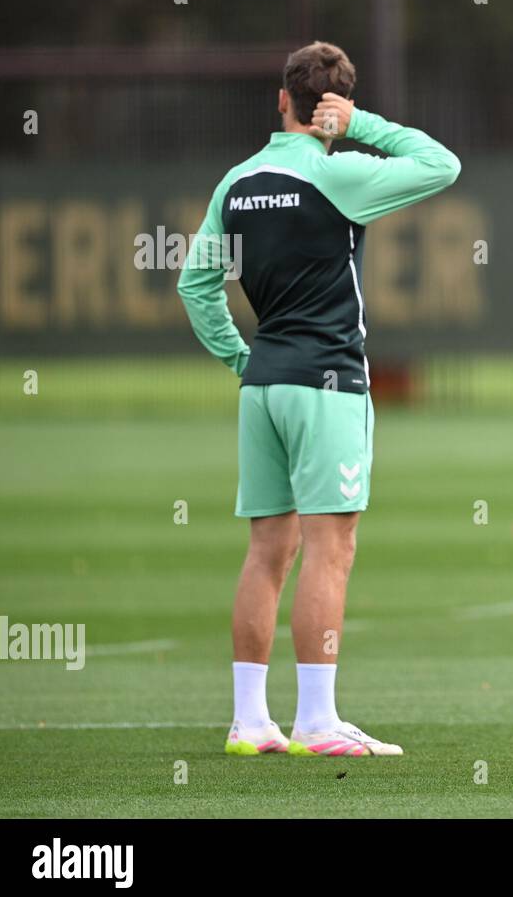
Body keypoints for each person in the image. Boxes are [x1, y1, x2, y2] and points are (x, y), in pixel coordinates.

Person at [178, 41, 460, 757]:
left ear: (282, 100)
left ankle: (248, 722)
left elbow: (195, 285)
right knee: (330, 549)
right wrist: (360, 124)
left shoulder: (237, 182)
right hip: (328, 382)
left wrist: (242, 357)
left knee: (267, 550)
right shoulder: (339, 175)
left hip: (265, 383)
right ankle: (316, 721)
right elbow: (440, 163)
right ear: (331, 107)